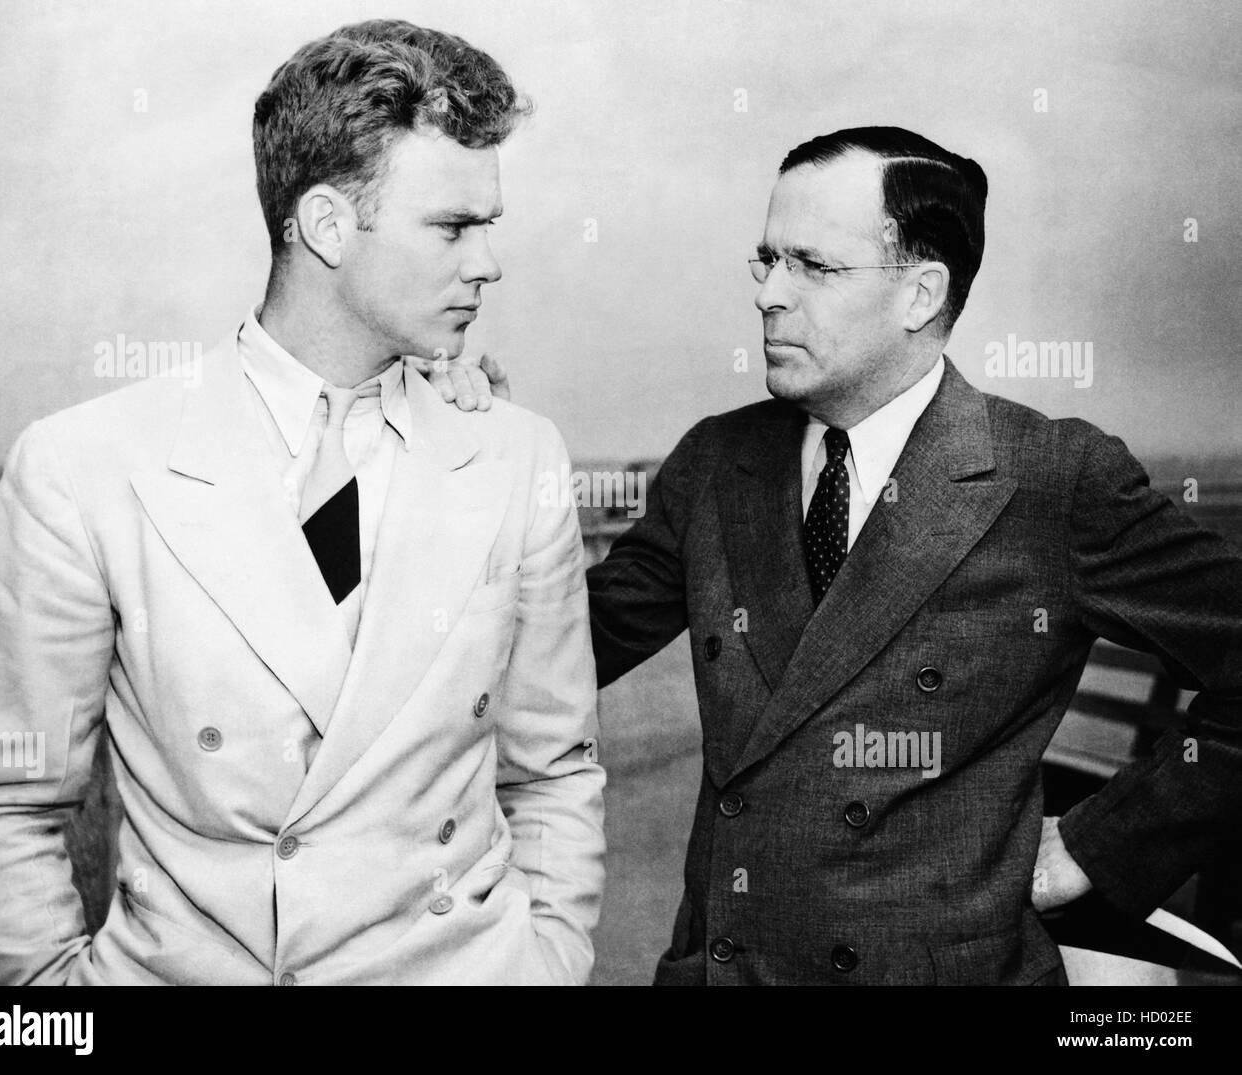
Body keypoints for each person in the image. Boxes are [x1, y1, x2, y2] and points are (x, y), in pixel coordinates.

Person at [449, 126, 1242, 985]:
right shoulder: (718, 463)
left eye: (814, 267)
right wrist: (467, 466)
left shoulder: (1050, 477)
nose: (770, 295)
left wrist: (1100, 844)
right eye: (768, 261)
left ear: (920, 293)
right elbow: (552, 649)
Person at [0, 19, 605, 986]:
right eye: (454, 226)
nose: (488, 263)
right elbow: (0, 800)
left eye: (487, 226)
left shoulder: (514, 456)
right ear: (329, 225)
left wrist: (546, 963)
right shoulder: (84, 467)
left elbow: (552, 770)